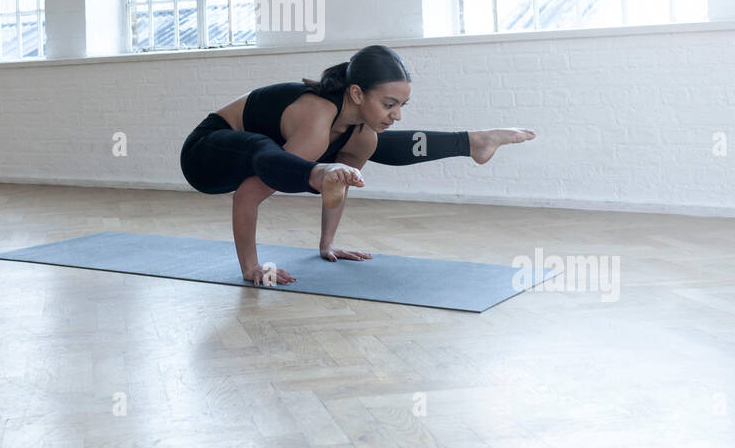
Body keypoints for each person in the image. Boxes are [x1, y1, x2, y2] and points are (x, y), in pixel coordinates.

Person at [179, 44, 536, 286]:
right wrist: (251, 268)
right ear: (356, 94)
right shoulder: (315, 121)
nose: (396, 115)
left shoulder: (358, 131)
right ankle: (316, 171)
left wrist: (327, 245)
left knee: (371, 143)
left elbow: (340, 186)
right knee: (269, 148)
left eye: (402, 106)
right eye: (389, 104)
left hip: (277, 154)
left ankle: (472, 141)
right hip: (206, 158)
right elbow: (245, 196)